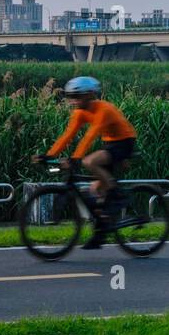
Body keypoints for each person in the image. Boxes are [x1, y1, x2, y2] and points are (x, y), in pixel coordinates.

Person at [33, 76, 137, 249]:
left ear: (90, 96)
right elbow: (67, 136)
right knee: (93, 189)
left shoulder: (104, 109)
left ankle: (117, 194)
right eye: (71, 97)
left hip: (125, 141)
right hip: (110, 143)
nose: (73, 101)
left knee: (90, 162)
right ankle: (101, 231)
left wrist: (75, 159)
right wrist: (49, 156)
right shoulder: (79, 112)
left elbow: (90, 136)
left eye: (77, 96)